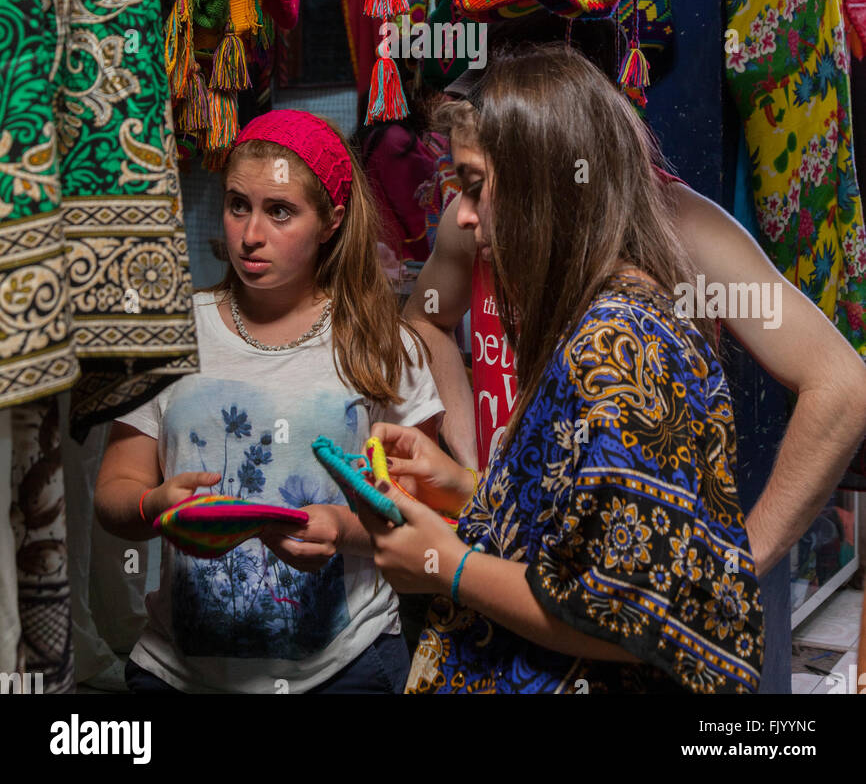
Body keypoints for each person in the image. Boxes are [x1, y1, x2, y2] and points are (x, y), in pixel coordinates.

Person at [360, 43, 766, 693]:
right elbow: (583, 531)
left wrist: (444, 564)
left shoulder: (615, 352)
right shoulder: (601, 319)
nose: (461, 215)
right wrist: (465, 490)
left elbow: (615, 618)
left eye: (474, 186)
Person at [406, 66, 866, 582]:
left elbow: (841, 384)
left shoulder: (684, 229)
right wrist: (471, 460)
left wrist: (741, 565)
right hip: (515, 559)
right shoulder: (474, 223)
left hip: (636, 580)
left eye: (476, 182)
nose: (463, 209)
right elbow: (424, 318)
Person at [94, 109, 443, 694]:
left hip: (345, 668)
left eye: (280, 211)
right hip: (180, 674)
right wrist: (157, 506)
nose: (250, 234)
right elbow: (113, 493)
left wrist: (344, 530)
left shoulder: (384, 344)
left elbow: (428, 517)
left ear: (332, 221)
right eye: (238, 205)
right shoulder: (171, 334)